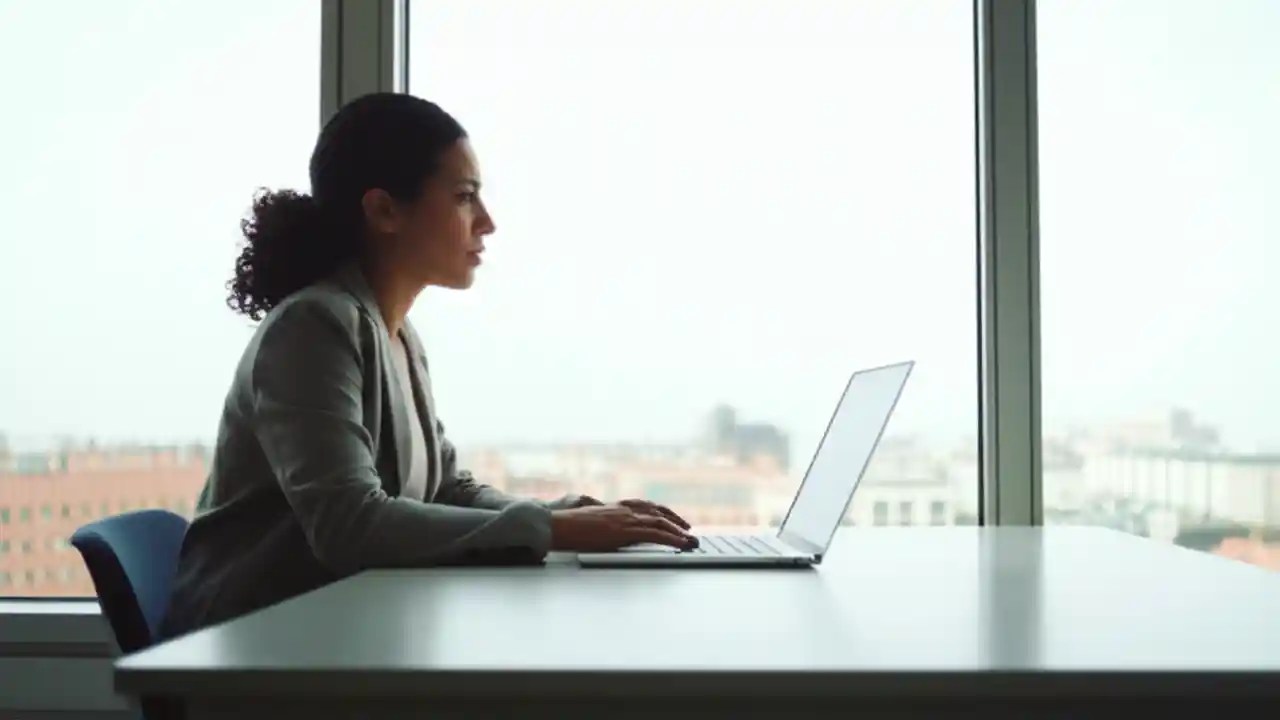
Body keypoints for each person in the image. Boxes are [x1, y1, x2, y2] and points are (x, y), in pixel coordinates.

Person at [160, 92, 698, 640]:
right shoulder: (312, 327)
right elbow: (349, 524)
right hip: (251, 649)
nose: (486, 222)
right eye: (465, 197)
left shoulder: (396, 334)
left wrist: (572, 513)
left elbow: (445, 488)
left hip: (335, 629)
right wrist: (552, 528)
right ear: (384, 210)